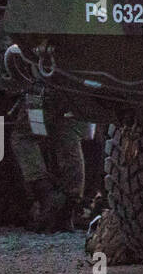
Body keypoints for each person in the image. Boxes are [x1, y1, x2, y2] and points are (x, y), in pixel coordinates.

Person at [8, 79, 87, 232]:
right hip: (73, 95)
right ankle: (67, 211)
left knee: (24, 137)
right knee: (69, 142)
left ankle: (46, 194)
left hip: (42, 94)